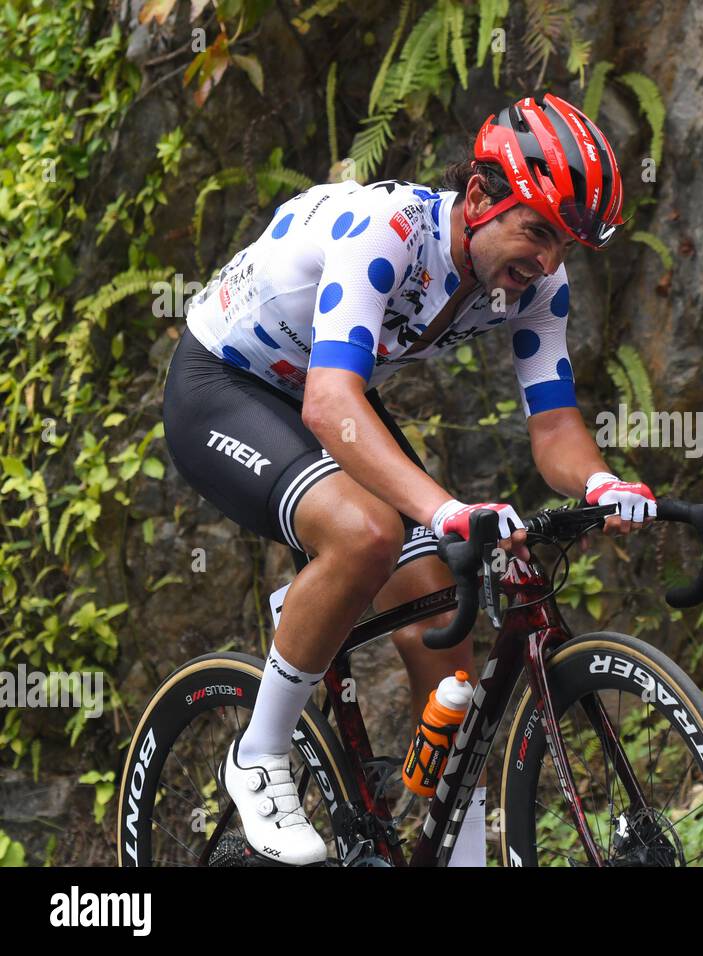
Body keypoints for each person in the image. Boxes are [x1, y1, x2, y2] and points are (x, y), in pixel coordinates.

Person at [161, 93, 656, 866]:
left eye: (566, 245)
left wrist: (599, 483)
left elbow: (554, 425)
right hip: (226, 385)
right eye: (537, 232)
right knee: (366, 533)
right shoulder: (388, 231)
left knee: (446, 658)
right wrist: (447, 507)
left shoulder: (536, 287)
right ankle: (258, 753)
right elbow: (329, 403)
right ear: (485, 197)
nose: (551, 262)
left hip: (328, 393)